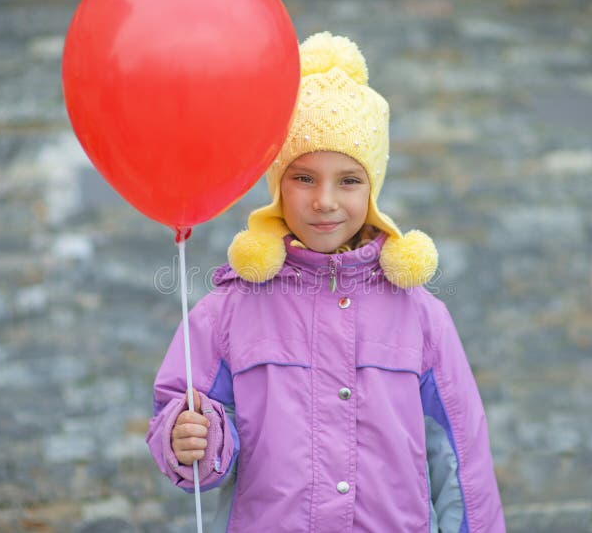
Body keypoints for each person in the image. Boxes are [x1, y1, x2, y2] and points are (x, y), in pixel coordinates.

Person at [147, 31, 505, 532]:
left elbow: (461, 456)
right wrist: (187, 438)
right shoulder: (229, 310)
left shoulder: (420, 315)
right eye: (305, 177)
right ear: (277, 186)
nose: (325, 201)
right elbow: (182, 409)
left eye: (349, 180)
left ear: (373, 189)